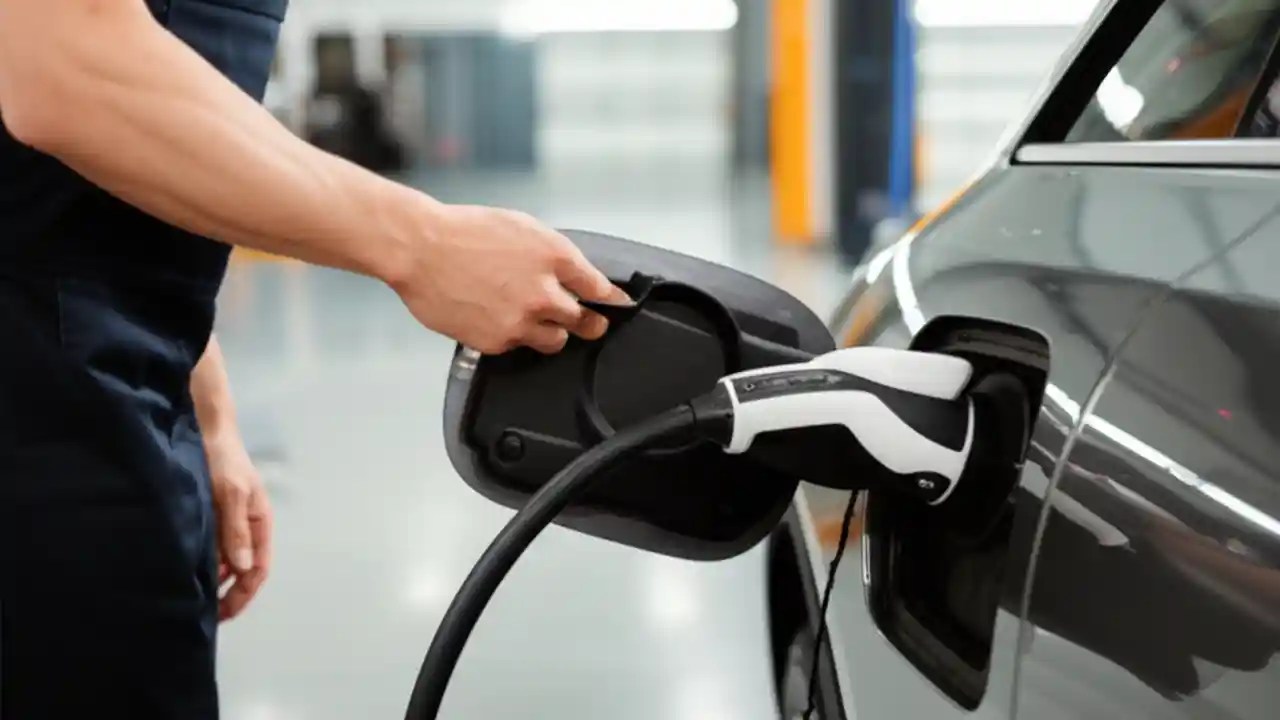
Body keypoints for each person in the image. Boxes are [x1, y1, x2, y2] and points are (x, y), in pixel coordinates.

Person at [0, 1, 624, 717]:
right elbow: (62, 67)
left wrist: (208, 409)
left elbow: (90, 193)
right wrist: (422, 245)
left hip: (114, 377)